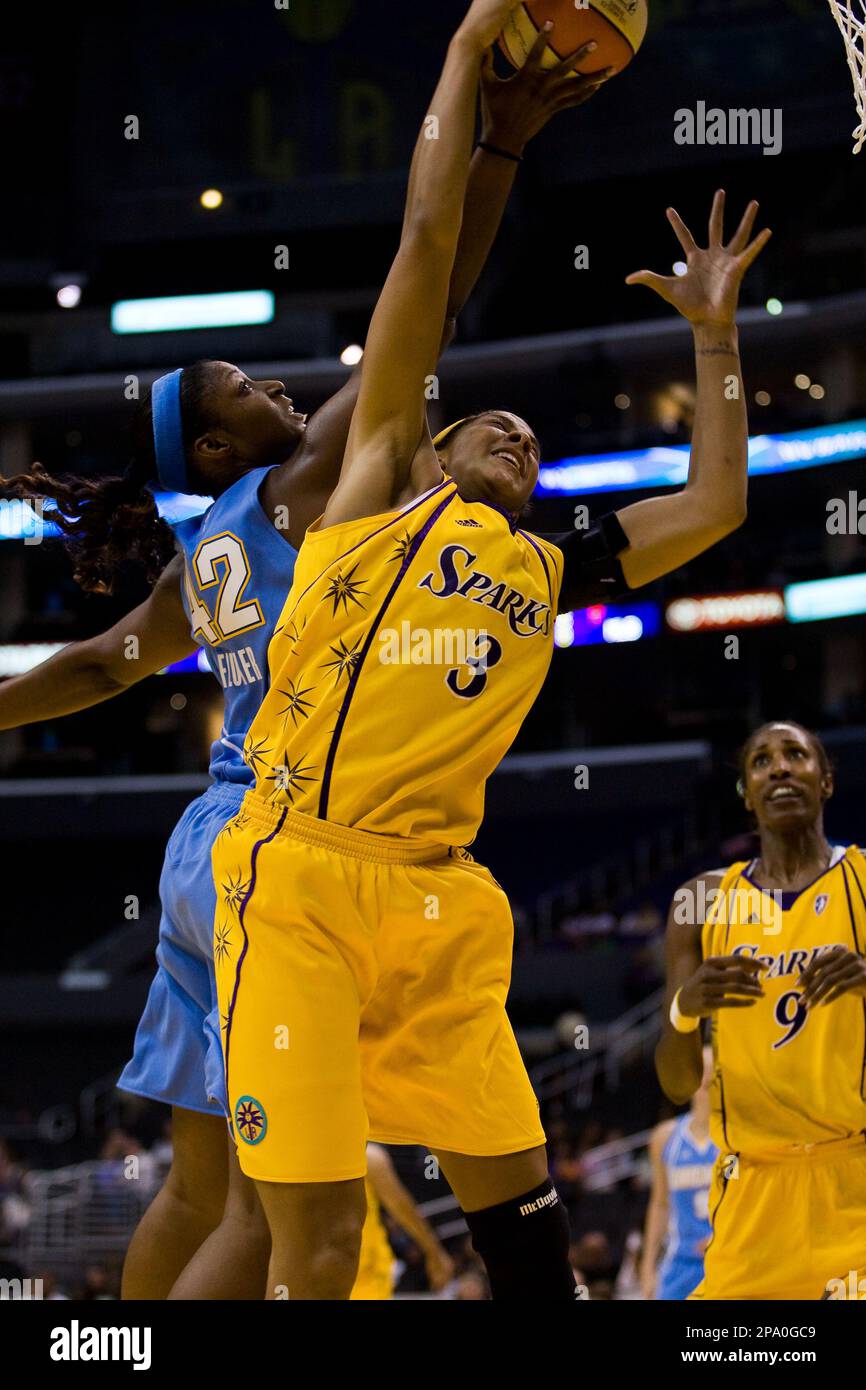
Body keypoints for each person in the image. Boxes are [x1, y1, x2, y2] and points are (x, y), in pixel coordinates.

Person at [0, 26, 610, 1300]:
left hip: (202, 842)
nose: (274, 386)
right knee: (285, 1233)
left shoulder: (198, 558)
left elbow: (104, 667)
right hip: (289, 845)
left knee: (197, 1184)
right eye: (242, 389)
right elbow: (427, 278)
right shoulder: (296, 486)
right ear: (214, 454)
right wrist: (493, 139)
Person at [210, 0, 770, 1301]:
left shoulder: (546, 559)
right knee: (324, 1249)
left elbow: (717, 505)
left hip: (444, 901)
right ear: (432, 447)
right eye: (490, 426)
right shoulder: (377, 492)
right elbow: (424, 244)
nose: (514, 436)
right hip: (296, 883)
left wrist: (716, 337)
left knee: (530, 1252)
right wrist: (466, 48)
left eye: (532, 436)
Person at [656, 721, 866, 1300]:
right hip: (752, 1192)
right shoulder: (699, 900)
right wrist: (683, 1011)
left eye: (795, 755)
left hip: (854, 1180)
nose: (779, 768)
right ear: (746, 794)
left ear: (825, 781)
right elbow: (677, 1086)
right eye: (761, 761)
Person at [641, 1045, 717, 1300]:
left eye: (713, 1070)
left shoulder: (736, 1137)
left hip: (727, 1260)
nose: (707, 1077)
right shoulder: (666, 1137)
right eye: (702, 1070)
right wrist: (648, 1266)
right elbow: (660, 1205)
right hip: (680, 1262)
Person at [350, 1144, 454, 1300]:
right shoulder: (367, 1157)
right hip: (344, 1275)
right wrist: (435, 1254)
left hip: (365, 1277)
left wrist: (435, 1253)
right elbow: (402, 1209)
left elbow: (402, 1208)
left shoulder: (367, 1158)